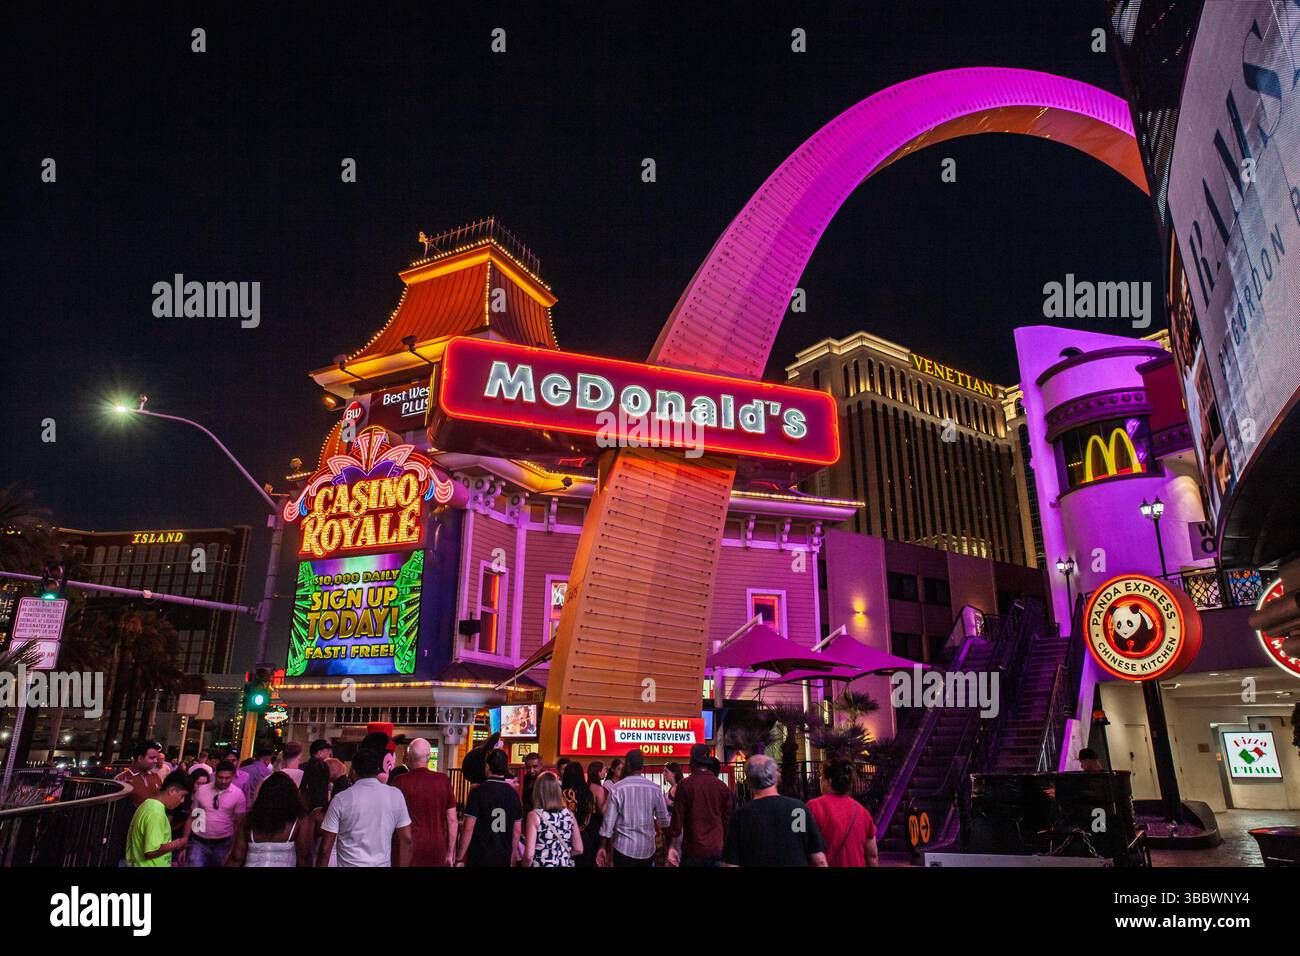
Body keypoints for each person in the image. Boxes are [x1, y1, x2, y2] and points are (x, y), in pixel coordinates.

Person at [723, 755, 827, 867]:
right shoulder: (798, 810)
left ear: (748, 781)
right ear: (777, 776)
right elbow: (819, 859)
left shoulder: (741, 816)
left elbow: (731, 864)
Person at [316, 748, 412, 867]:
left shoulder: (341, 799)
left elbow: (325, 849)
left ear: (353, 771)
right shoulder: (395, 795)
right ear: (378, 770)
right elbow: (407, 839)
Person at [598, 749, 670, 867]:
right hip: (647, 850)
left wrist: (602, 847)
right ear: (641, 766)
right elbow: (664, 822)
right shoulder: (655, 789)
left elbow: (608, 823)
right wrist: (670, 847)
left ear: (628, 765)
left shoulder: (617, 788)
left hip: (623, 849)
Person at [392, 738, 458, 867]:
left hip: (406, 849)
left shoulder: (398, 782)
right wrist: (450, 853)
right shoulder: (443, 781)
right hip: (436, 848)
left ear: (408, 756)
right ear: (429, 757)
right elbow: (452, 820)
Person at [666, 744, 733, 867]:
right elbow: (727, 820)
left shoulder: (684, 785)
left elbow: (677, 822)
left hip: (692, 849)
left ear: (692, 761)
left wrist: (671, 843)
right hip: (716, 848)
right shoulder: (722, 787)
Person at [229, 771, 312, 867]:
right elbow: (304, 856)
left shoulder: (249, 819)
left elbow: (236, 857)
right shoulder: (298, 820)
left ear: (263, 794)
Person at [457, 748, 522, 867]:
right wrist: (512, 858)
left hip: (479, 857)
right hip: (503, 856)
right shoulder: (514, 795)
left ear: (488, 766)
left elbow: (468, 828)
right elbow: (517, 831)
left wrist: (460, 857)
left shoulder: (477, 792)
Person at [808, 759, 878, 867]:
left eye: (821, 776)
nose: (819, 779)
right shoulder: (863, 812)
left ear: (829, 781)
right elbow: (872, 856)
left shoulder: (813, 807)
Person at [125, 770, 193, 867]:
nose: (182, 801)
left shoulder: (148, 804)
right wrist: (179, 843)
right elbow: (151, 852)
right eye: (182, 796)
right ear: (172, 791)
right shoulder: (156, 812)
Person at [187, 759, 247, 867]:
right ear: (215, 775)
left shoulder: (238, 794)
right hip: (199, 841)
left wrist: (234, 848)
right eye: (220, 777)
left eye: (227, 778)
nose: (223, 781)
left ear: (233, 776)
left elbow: (239, 824)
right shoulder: (202, 790)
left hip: (224, 843)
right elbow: (193, 816)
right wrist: (185, 841)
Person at [523, 772, 582, 867]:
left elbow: (529, 856)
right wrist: (561, 856)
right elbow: (579, 849)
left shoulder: (534, 816)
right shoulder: (569, 815)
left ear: (537, 791)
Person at [560, 760, 597, 866]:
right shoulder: (588, 794)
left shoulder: (563, 794)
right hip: (585, 837)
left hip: (566, 837)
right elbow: (590, 814)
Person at [115, 741, 163, 806]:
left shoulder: (156, 777)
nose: (155, 761)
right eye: (152, 758)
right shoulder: (122, 778)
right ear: (140, 758)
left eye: (156, 758)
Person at [299, 739, 333, 813]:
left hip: (304, 807)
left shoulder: (302, 767)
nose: (329, 753)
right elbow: (322, 791)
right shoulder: (322, 766)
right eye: (327, 750)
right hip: (317, 809)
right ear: (319, 753)